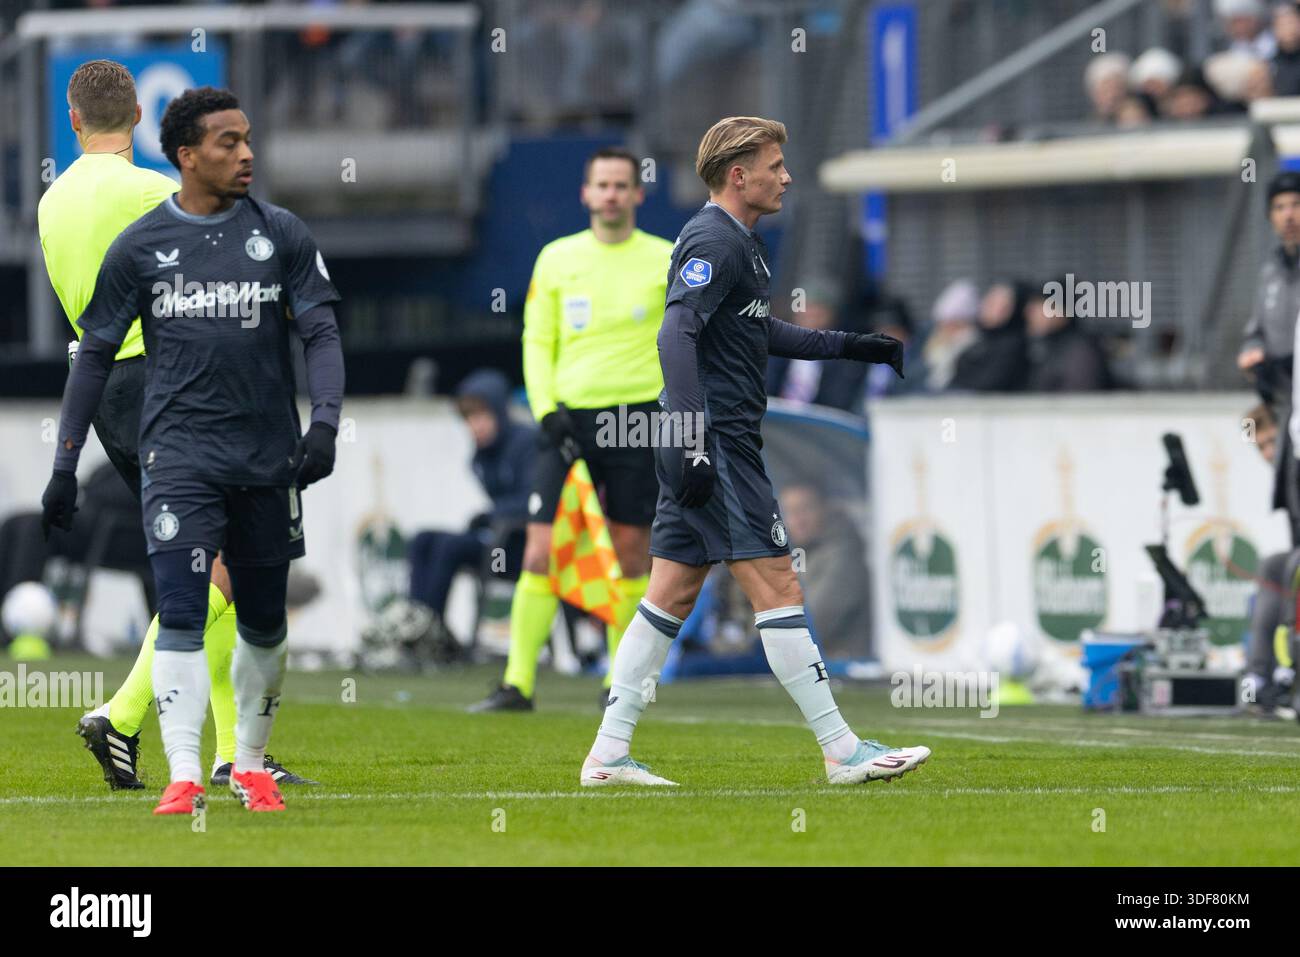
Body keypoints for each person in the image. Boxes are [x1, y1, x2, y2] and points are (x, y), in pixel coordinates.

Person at [579, 116, 931, 787]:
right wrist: (693, 436)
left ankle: (607, 754)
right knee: (780, 584)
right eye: (775, 166)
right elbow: (676, 333)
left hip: (700, 438)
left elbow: (753, 330)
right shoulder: (715, 238)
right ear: (739, 176)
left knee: (669, 594)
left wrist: (851, 345)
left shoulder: (740, 242)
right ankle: (841, 750)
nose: (786, 177)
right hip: (714, 442)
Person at [40, 86, 344, 815]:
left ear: (73, 118)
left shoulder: (51, 203)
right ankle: (124, 714)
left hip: (105, 389)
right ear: (141, 118)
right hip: (176, 385)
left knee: (214, 566)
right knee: (220, 567)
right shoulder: (158, 196)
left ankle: (232, 755)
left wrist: (63, 461)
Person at [470, 147, 674, 712]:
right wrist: (545, 411)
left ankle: (620, 682)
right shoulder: (557, 259)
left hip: (637, 418)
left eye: (621, 185)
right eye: (601, 185)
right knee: (539, 549)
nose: (611, 194)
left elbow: (685, 341)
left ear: (637, 193)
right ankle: (517, 684)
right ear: (585, 193)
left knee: (629, 552)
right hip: (566, 421)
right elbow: (537, 339)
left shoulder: (665, 258)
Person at [406, 370, 534, 628]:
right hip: (497, 542)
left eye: (481, 416)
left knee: (449, 546)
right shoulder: (480, 457)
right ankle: (416, 624)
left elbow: (534, 503)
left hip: (521, 551)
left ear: (499, 412)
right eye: (469, 418)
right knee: (422, 540)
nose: (475, 425)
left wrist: (491, 516)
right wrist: (490, 519)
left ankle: (432, 630)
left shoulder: (528, 443)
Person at [1241, 172, 1300, 546]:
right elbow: (1255, 329)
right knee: (1294, 508)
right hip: (1285, 407)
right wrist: (1252, 353)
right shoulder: (1270, 272)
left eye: (1296, 205)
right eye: (1280, 208)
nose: (1289, 215)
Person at [1239, 403, 1296, 719]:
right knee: (1275, 567)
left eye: (1272, 441)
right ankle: (1259, 678)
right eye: (1260, 447)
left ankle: (1286, 670)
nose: (1268, 452)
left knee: (1287, 568)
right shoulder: (1286, 477)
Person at [765, 277, 869, 412]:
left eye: (817, 313)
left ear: (831, 316)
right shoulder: (773, 352)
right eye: (805, 310)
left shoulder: (844, 363)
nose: (810, 317)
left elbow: (837, 405)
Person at [1024, 282, 1112, 392]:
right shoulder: (1047, 348)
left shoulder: (1080, 353)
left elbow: (1076, 398)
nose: (1029, 313)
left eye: (1039, 306)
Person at [950, 280, 1032, 392]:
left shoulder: (1013, 345)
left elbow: (989, 384)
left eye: (1002, 305)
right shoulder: (975, 337)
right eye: (990, 302)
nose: (989, 308)